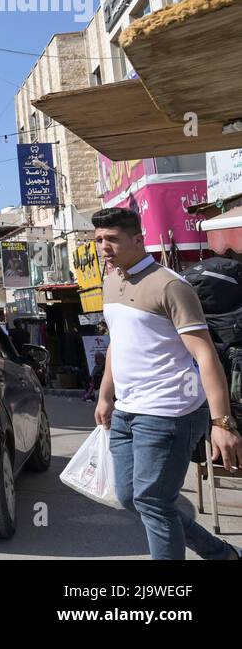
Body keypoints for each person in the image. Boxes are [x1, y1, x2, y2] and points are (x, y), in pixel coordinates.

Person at [92, 206, 242, 560]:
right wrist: (105, 395)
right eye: (99, 239)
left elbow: (205, 354)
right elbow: (119, 341)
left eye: (112, 239)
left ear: (137, 239)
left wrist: (221, 423)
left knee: (153, 501)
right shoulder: (112, 281)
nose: (104, 247)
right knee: (131, 497)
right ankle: (222, 555)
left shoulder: (171, 285)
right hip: (127, 411)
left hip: (168, 412)